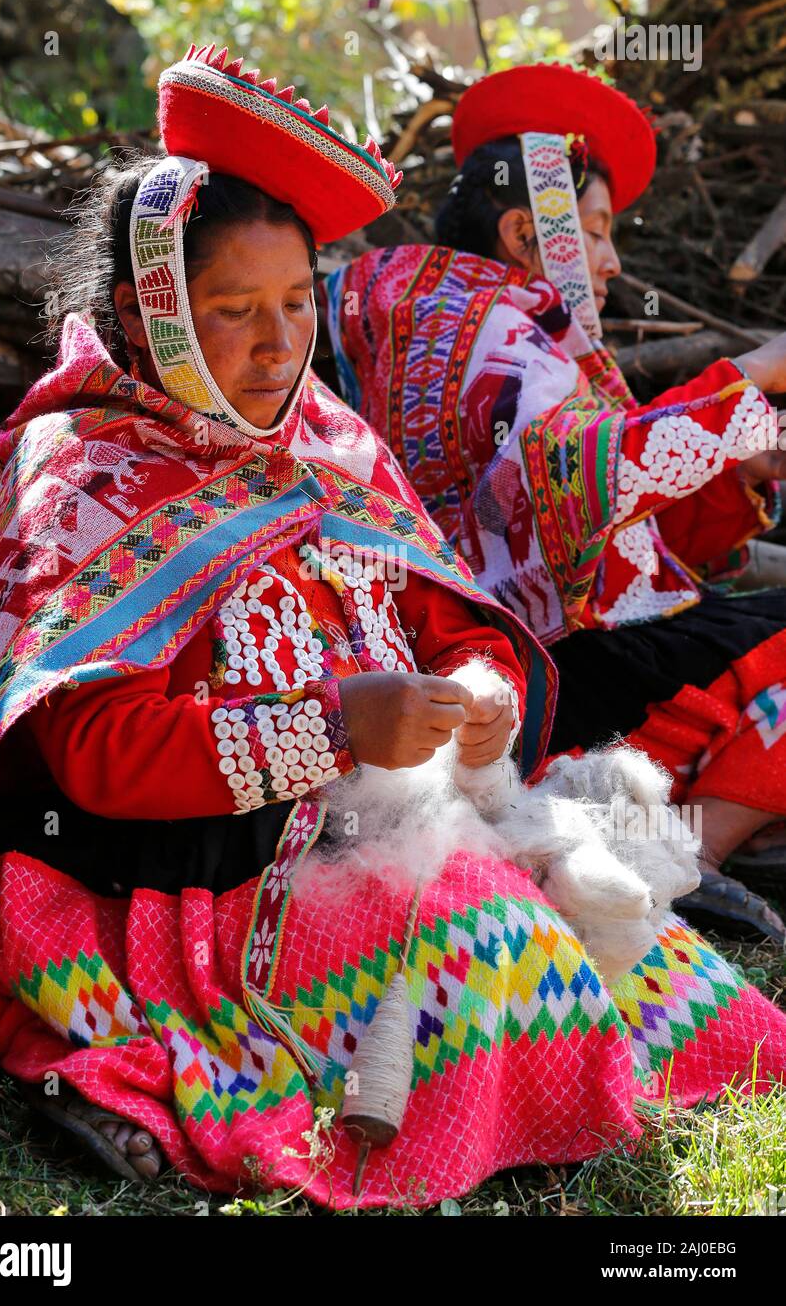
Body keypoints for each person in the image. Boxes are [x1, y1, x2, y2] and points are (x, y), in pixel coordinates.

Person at [0, 46, 784, 1210]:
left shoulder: (325, 438)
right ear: (147, 313)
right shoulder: (80, 469)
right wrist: (335, 724)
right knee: (506, 954)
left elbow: (443, 616)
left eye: (293, 305)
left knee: (681, 986)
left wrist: (479, 694)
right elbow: (98, 756)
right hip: (174, 889)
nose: (279, 346)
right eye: (233, 312)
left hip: (371, 831)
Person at [326, 61, 786, 944]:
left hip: (508, 671)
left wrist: (728, 464)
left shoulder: (416, 310)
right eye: (598, 232)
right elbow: (579, 482)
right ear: (526, 237)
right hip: (543, 673)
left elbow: (589, 514)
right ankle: (695, 858)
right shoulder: (495, 330)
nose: (613, 261)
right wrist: (749, 382)